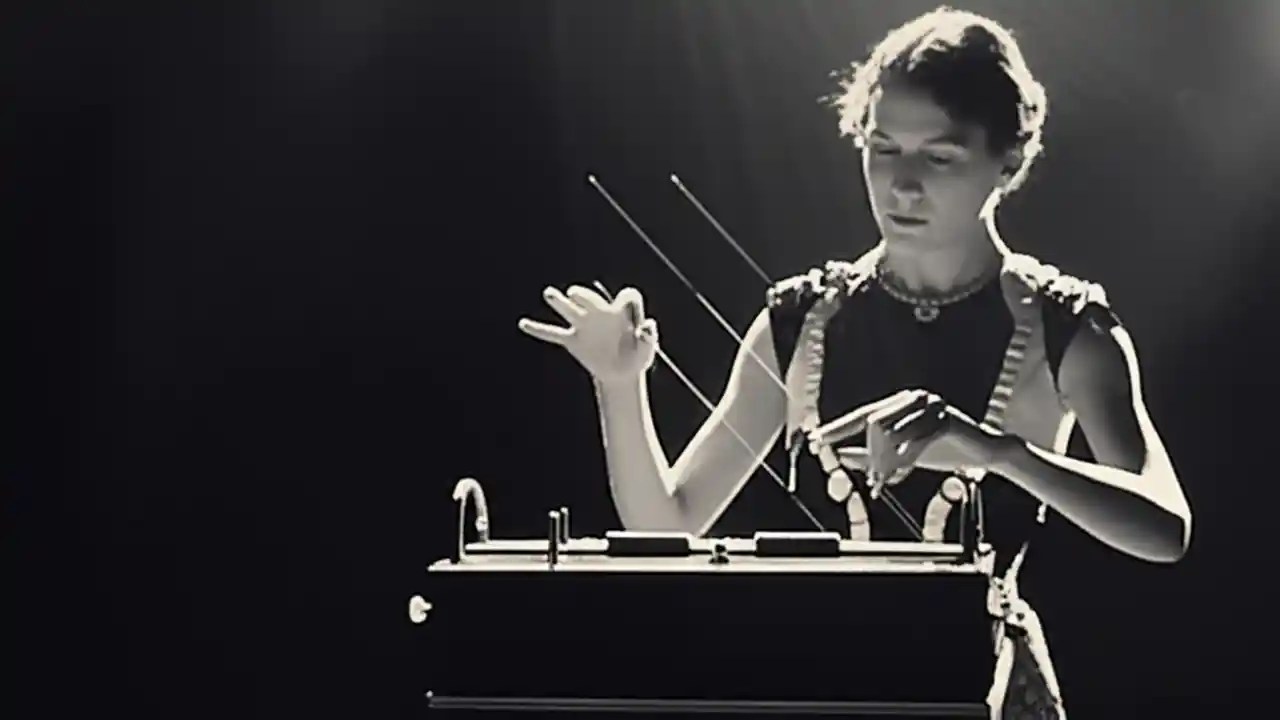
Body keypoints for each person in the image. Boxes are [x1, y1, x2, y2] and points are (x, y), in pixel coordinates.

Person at [517, 6, 1191, 717]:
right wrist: (621, 388)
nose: (902, 184)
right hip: (818, 684)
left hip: (982, 688)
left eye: (939, 156)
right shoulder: (800, 319)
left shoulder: (1065, 327)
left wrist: (997, 452)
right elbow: (667, 530)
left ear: (1009, 161)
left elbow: (1162, 529)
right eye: (882, 148)